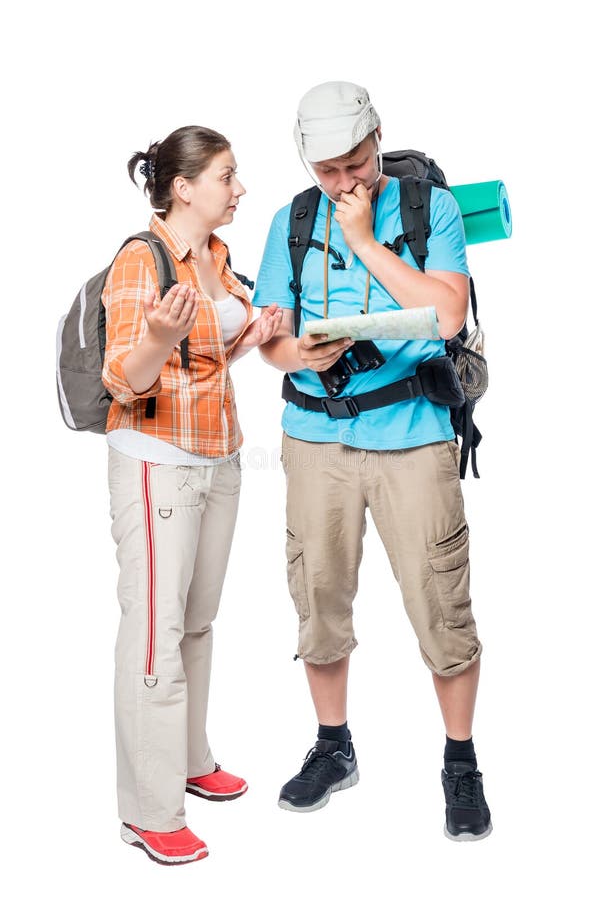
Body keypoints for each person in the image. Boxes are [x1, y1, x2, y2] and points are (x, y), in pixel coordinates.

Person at [253, 82, 491, 840]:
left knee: (438, 603)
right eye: (327, 171)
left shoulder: (431, 210)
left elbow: (447, 311)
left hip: (413, 436)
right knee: (317, 597)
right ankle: (333, 746)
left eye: (355, 163)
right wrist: (301, 351)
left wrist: (361, 240)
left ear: (377, 140)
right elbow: (271, 344)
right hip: (315, 439)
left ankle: (460, 761)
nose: (343, 182)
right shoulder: (289, 220)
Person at [102, 125, 282, 864]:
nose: (238, 188)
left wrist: (253, 332)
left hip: (221, 456)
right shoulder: (140, 262)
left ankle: (188, 757)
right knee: (155, 634)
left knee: (197, 625)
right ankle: (149, 810)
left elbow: (208, 354)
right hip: (157, 462)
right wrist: (151, 338)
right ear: (183, 187)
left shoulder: (216, 256)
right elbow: (126, 378)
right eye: (226, 176)